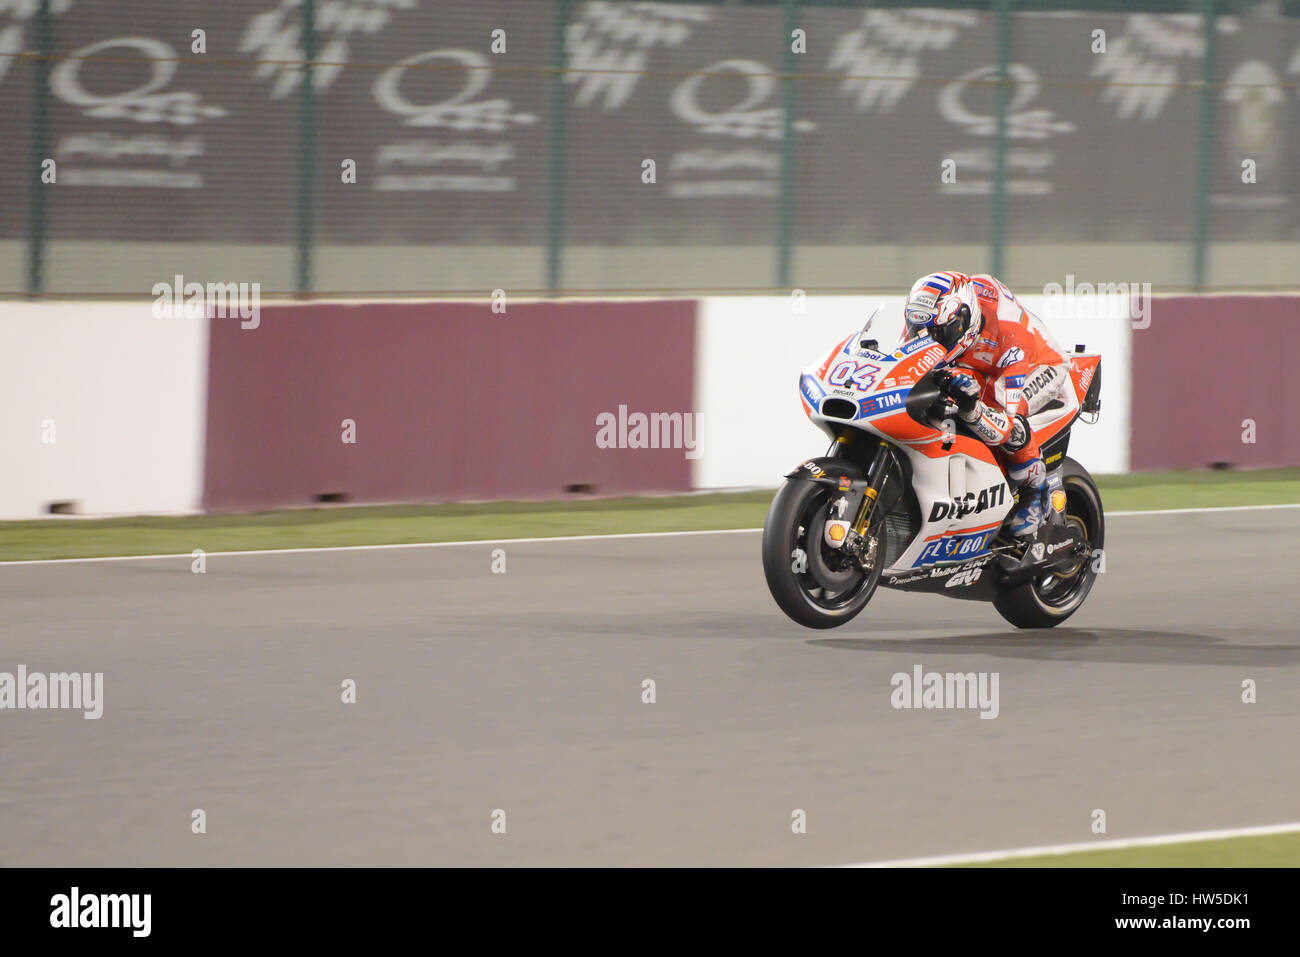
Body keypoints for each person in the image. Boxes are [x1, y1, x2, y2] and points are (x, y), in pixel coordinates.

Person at [901, 270, 1077, 539]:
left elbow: (1004, 422)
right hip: (978, 359)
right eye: (921, 330)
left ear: (962, 322)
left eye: (938, 334)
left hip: (1037, 364)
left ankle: (1035, 490)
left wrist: (973, 410)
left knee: (1006, 421)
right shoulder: (930, 315)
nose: (928, 339)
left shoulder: (1010, 338)